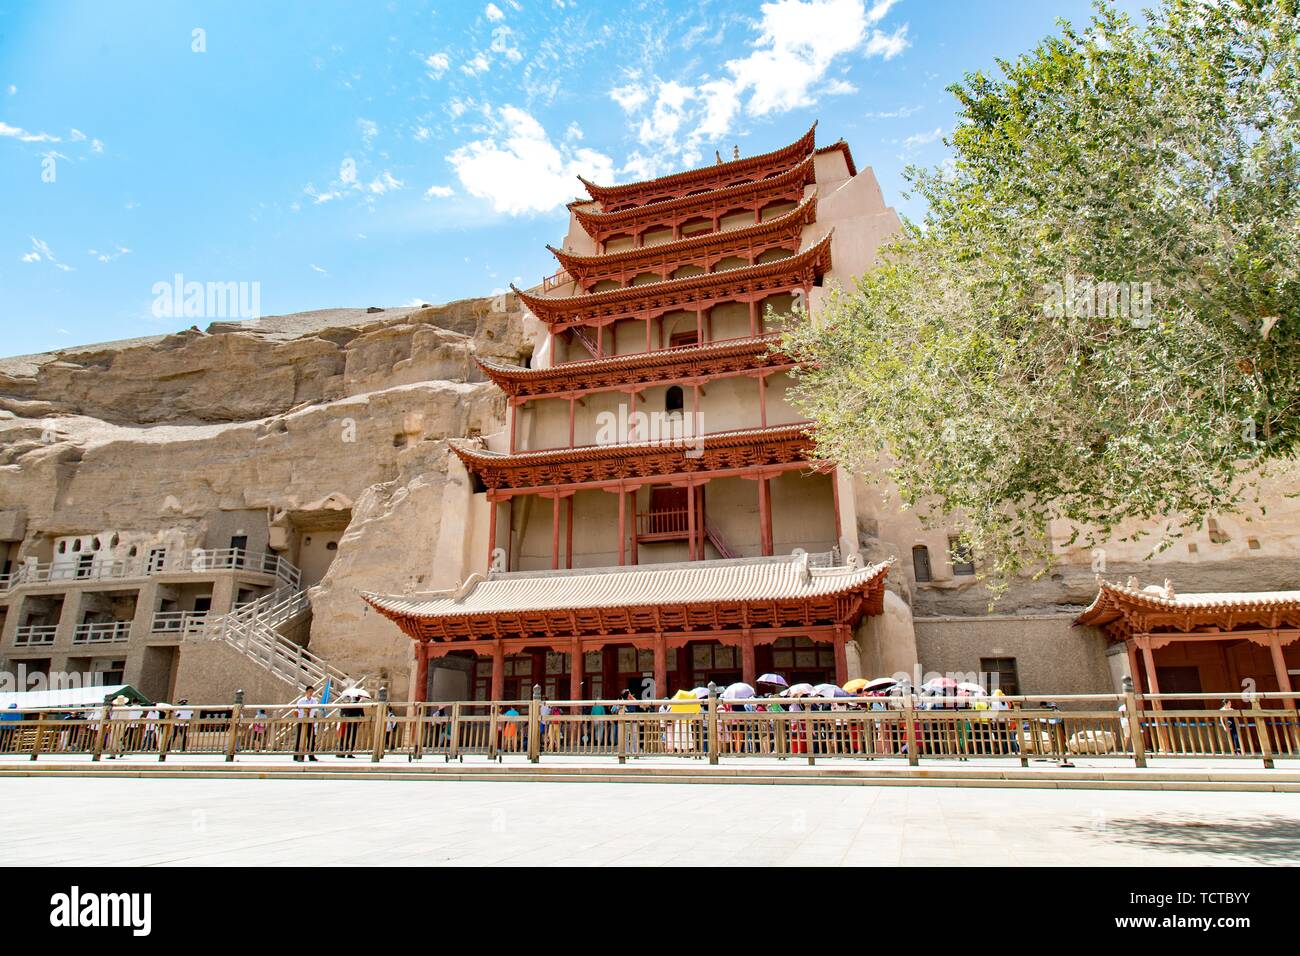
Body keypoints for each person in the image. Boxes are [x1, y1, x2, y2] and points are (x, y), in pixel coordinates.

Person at [292, 689, 319, 761]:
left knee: (311, 739)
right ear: (306, 692)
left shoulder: (314, 701)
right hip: (302, 721)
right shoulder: (301, 701)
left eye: (312, 691)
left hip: (310, 721)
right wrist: (299, 719)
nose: (311, 693)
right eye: (309, 691)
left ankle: (311, 755)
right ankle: (297, 755)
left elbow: (316, 711)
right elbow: (296, 711)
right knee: (299, 738)